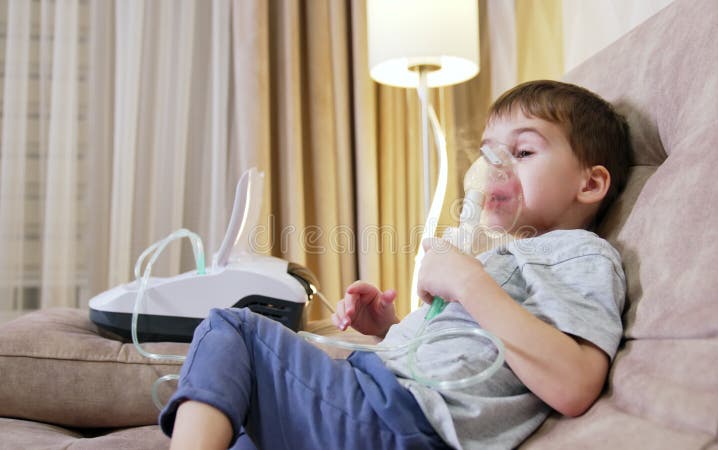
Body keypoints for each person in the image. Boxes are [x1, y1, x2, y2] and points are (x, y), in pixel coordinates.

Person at [160, 80, 632, 450]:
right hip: (382, 400)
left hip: (398, 418)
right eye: (488, 151)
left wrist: (468, 280)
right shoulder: (498, 258)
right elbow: (467, 353)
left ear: (589, 184)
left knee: (233, 329)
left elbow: (575, 384)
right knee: (242, 427)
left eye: (523, 152)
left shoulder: (580, 253)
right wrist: (389, 329)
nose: (494, 166)